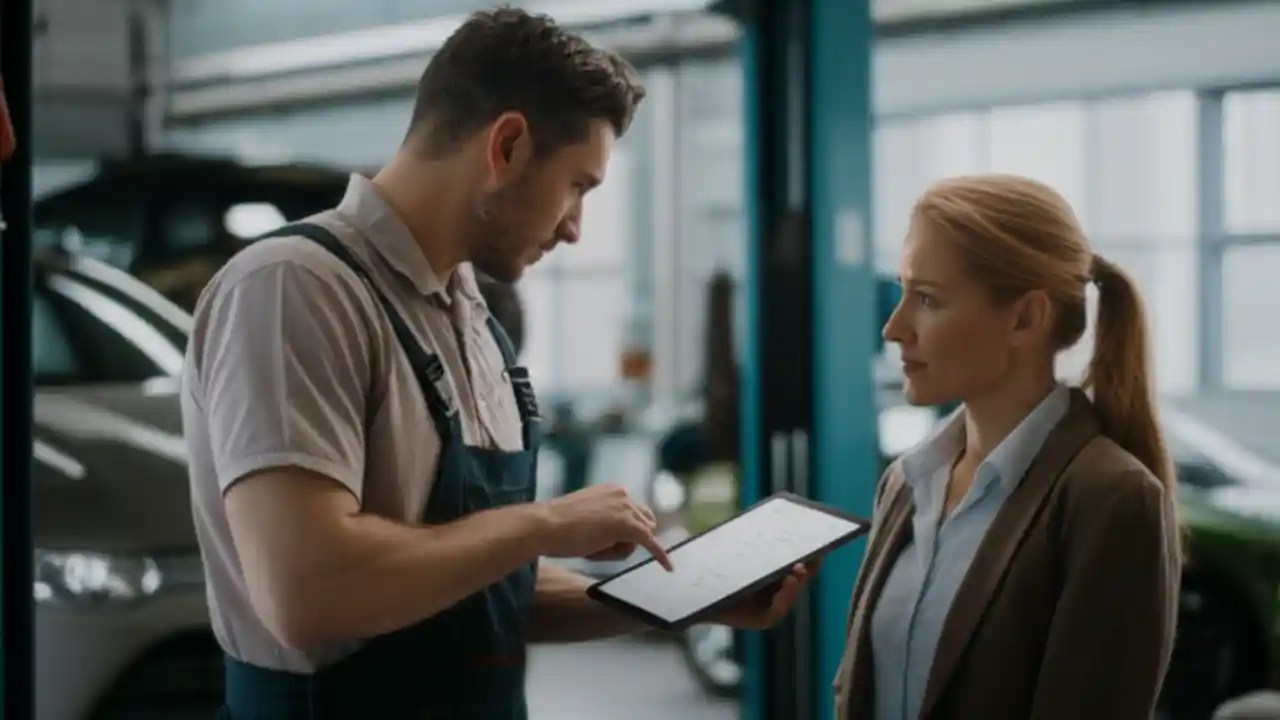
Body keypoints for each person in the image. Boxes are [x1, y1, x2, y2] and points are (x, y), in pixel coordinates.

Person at [182, 9, 813, 720]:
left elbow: (482, 589)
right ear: (507, 145)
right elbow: (309, 595)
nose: (575, 228)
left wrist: (680, 599)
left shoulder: (473, 317)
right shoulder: (295, 289)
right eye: (578, 185)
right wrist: (543, 523)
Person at [832, 174, 1182, 720]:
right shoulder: (907, 482)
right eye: (903, 292)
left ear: (1025, 317)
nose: (894, 328)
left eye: (927, 298)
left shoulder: (1111, 498)